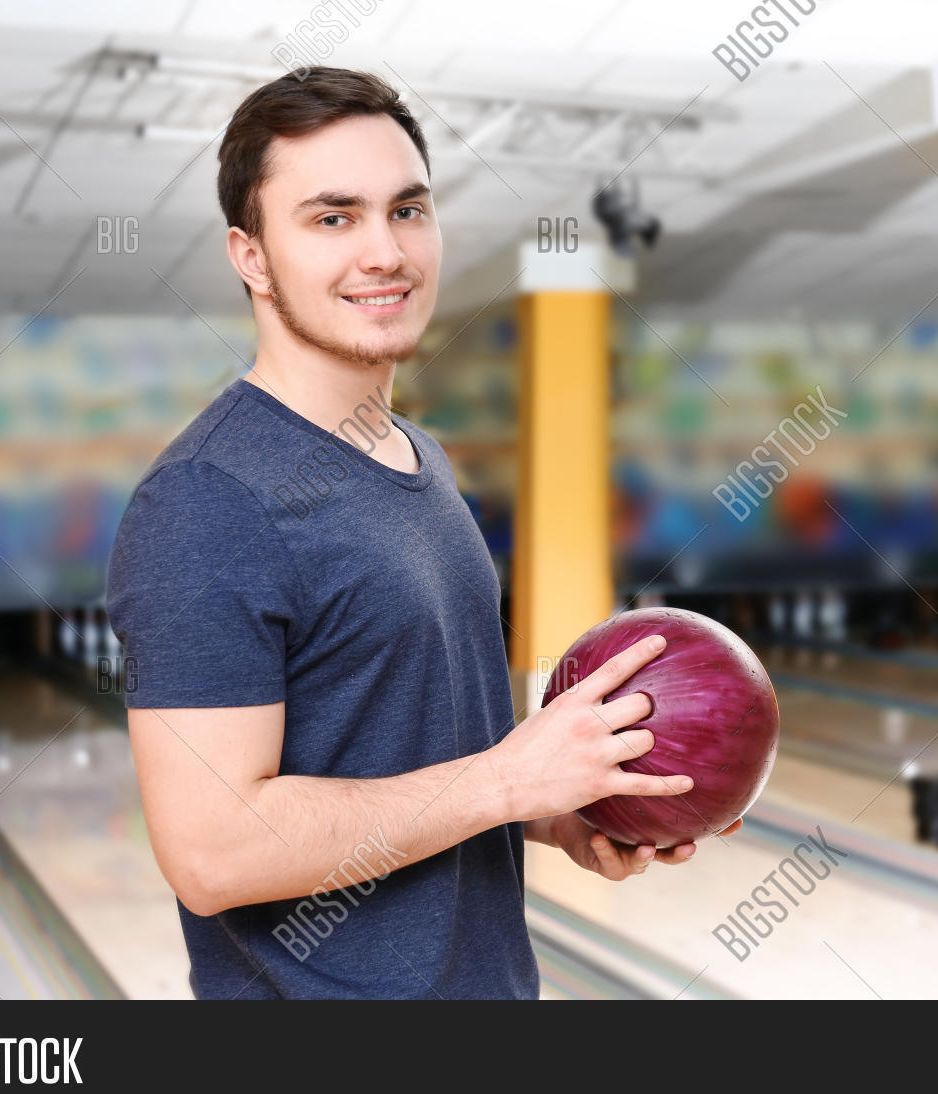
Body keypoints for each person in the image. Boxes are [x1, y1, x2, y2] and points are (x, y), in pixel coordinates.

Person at [106, 67, 737, 1000]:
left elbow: (411, 764)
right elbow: (213, 850)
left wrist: (560, 812)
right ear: (250, 255)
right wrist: (506, 784)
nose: (385, 251)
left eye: (408, 210)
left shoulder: (421, 460)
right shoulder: (208, 502)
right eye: (333, 218)